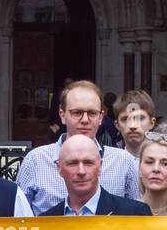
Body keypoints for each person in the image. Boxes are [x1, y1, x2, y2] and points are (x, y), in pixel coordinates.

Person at [16, 80, 141, 214]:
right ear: (62, 115)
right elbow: (19, 219)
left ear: (101, 117)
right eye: (77, 113)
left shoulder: (123, 161)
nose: (85, 120)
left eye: (92, 113)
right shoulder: (35, 160)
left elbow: (136, 217)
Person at [137, 131, 167, 217]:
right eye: (149, 162)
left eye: (165, 164)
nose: (156, 169)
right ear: (140, 169)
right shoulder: (124, 212)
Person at [113, 90, 156, 159]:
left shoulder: (165, 164)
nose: (133, 126)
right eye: (125, 119)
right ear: (117, 125)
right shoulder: (107, 164)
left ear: (152, 123)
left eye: (140, 118)